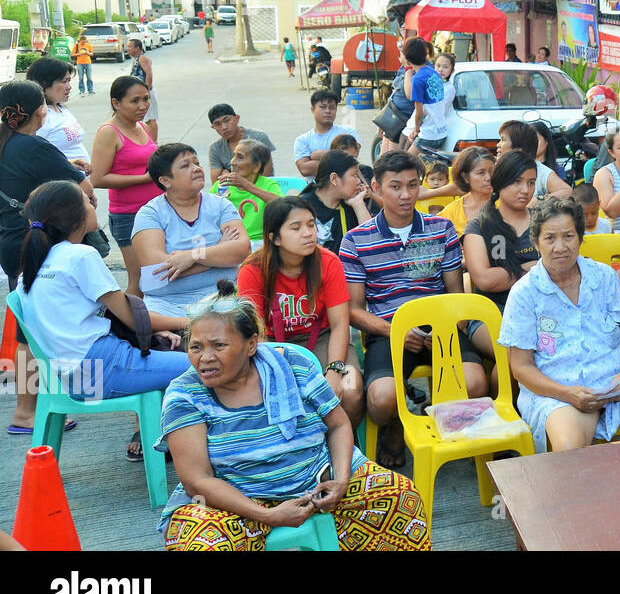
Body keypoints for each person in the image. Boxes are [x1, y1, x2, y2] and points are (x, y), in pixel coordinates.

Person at [157, 281, 429, 551]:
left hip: (316, 481)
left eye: (218, 345)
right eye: (196, 347)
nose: (205, 357)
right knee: (199, 544)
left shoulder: (291, 364)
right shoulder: (185, 395)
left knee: (399, 497)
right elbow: (198, 480)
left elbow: (337, 425)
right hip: (238, 499)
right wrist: (267, 515)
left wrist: (341, 481)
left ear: (251, 344)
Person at [18, 181, 189, 461]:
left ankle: (169, 438)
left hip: (66, 378)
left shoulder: (35, 264)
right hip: (102, 367)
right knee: (207, 366)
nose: (94, 204)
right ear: (74, 216)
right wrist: (189, 321)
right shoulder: (80, 256)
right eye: (87, 200)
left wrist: (160, 330)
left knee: (176, 357)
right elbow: (131, 318)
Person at [500, 196, 620, 452]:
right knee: (570, 447)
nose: (560, 247)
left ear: (580, 237)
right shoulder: (524, 293)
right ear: (536, 242)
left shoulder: (603, 277)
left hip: (616, 383)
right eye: (550, 238)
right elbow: (521, 366)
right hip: (559, 390)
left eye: (568, 236)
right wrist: (568, 393)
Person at [340, 151, 464, 471]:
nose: (406, 195)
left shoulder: (442, 228)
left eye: (412, 185)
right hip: (388, 330)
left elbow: (455, 294)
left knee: (475, 385)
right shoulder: (356, 241)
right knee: (381, 401)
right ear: (376, 189)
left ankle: (432, 418)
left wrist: (446, 327)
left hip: (439, 328)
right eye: (395, 187)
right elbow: (353, 310)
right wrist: (396, 331)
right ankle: (396, 424)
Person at [0, 82, 100, 436]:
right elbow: (83, 188)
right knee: (40, 328)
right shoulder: (32, 145)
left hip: (11, 241)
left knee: (28, 324)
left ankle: (31, 408)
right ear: (39, 111)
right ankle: (29, 411)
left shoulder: (9, 143)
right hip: (36, 244)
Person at [236, 197, 363, 426]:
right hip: (272, 344)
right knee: (274, 394)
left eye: (311, 225)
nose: (308, 233)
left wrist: (334, 370)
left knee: (351, 389)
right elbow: (253, 331)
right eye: (296, 228)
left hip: (323, 338)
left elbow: (339, 324)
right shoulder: (252, 269)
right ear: (275, 238)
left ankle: (343, 440)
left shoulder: (329, 262)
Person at [131, 143, 251, 317]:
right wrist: (219, 252)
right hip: (166, 304)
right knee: (149, 323)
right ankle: (188, 326)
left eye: (197, 163)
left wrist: (192, 256)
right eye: (185, 165)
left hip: (221, 297)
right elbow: (156, 269)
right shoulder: (150, 213)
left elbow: (242, 250)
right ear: (165, 180)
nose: (196, 169)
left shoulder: (220, 205)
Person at [461, 153, 538, 370]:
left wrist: (508, 274)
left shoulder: (543, 221)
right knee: (515, 358)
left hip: (539, 309)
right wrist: (531, 269)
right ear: (500, 181)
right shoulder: (480, 226)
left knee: (531, 359)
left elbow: (560, 269)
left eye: (531, 182)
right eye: (517, 182)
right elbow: (485, 280)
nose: (525, 190)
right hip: (491, 312)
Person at [89, 76, 162, 297]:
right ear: (116, 103)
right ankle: (127, 319)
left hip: (156, 210)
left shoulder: (142, 126)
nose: (143, 106)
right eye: (135, 101)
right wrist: (145, 178)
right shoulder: (109, 131)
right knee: (139, 282)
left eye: (146, 99)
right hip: (129, 216)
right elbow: (98, 178)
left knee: (158, 277)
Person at [299, 150, 371, 253]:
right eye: (354, 175)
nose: (359, 181)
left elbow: (371, 242)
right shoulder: (303, 206)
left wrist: (358, 203)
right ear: (334, 179)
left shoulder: (351, 205)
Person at [28, 58, 91, 173]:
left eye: (69, 81)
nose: (69, 87)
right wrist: (67, 164)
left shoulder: (61, 109)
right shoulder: (40, 117)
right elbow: (31, 157)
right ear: (43, 84)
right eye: (64, 81)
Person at [212, 139, 282, 242]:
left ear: (256, 167)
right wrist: (215, 203)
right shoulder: (222, 184)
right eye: (233, 156)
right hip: (229, 241)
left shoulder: (268, 185)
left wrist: (246, 185)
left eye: (240, 157)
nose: (232, 162)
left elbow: (283, 206)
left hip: (258, 242)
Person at [498, 120, 570, 199]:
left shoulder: (540, 171)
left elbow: (567, 192)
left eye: (503, 139)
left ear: (519, 146)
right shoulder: (496, 168)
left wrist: (538, 200)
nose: (498, 145)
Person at [293, 90, 358, 178]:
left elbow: (351, 157)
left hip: (346, 185)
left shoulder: (348, 132)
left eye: (332, 107)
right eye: (322, 107)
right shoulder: (302, 140)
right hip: (316, 186)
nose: (328, 111)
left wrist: (318, 155)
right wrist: (339, 158)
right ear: (312, 109)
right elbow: (305, 169)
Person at [207, 104, 276, 184]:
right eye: (217, 124)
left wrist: (230, 176)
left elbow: (266, 176)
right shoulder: (215, 148)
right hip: (232, 190)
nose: (224, 127)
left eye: (227, 120)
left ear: (237, 118)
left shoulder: (259, 138)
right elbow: (216, 183)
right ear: (213, 127)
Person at [437, 146, 495, 235]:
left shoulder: (507, 204)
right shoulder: (450, 213)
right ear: (465, 177)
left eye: (491, 171)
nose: (488, 177)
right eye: (481, 173)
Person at [410, 48, 456, 158]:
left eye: (445, 67)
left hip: (430, 131)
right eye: (438, 66)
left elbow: (429, 110)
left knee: (408, 160)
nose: (441, 70)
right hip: (430, 129)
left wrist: (416, 128)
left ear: (452, 70)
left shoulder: (449, 88)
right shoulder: (435, 82)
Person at [126, 39, 159, 142]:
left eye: (130, 47)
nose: (128, 49)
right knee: (146, 119)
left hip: (146, 94)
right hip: (142, 94)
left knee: (150, 118)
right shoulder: (136, 59)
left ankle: (154, 143)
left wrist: (147, 91)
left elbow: (149, 73)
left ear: (137, 48)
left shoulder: (142, 58)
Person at [532, 120, 569, 184]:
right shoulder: (524, 168)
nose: (532, 143)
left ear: (546, 141)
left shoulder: (558, 169)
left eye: (536, 139)